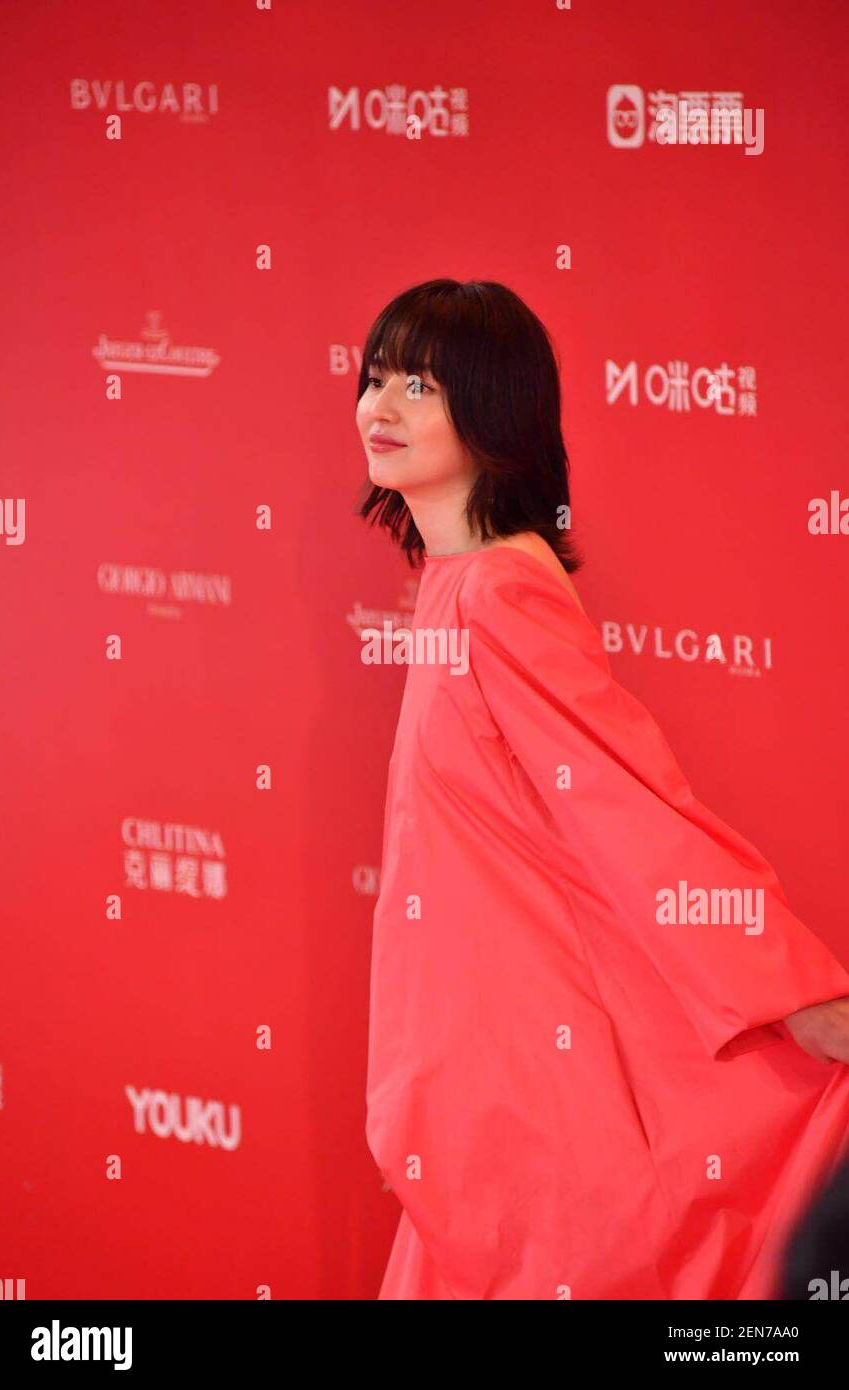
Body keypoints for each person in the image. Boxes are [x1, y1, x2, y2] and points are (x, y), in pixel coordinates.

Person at [355, 278, 849, 1300]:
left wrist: (789, 993)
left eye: (420, 384)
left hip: (535, 1052)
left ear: (496, 414)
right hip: (482, 1032)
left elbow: (627, 807)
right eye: (374, 377)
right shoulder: (456, 581)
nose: (379, 406)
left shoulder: (500, 591)